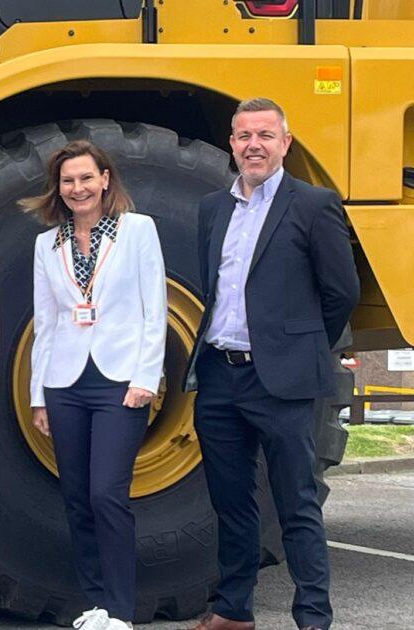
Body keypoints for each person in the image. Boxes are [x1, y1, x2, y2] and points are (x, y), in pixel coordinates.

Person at [179, 98, 358, 630]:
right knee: (231, 504)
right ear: (231, 144)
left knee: (296, 504)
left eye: (264, 134)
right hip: (218, 376)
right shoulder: (213, 208)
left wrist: (296, 349)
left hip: (281, 380)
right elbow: (214, 289)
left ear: (285, 142)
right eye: (242, 136)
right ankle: (235, 609)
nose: (252, 145)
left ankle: (313, 617)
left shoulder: (314, 204)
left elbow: (341, 292)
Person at [24, 140, 167, 630]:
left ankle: (121, 610)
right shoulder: (49, 243)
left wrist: (147, 377)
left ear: (106, 179)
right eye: (68, 181)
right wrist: (38, 396)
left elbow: (156, 308)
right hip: (65, 382)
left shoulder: (138, 231)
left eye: (86, 178)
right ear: (58, 189)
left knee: (108, 493)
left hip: (119, 381)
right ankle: (97, 604)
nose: (78, 188)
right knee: (77, 495)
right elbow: (46, 322)